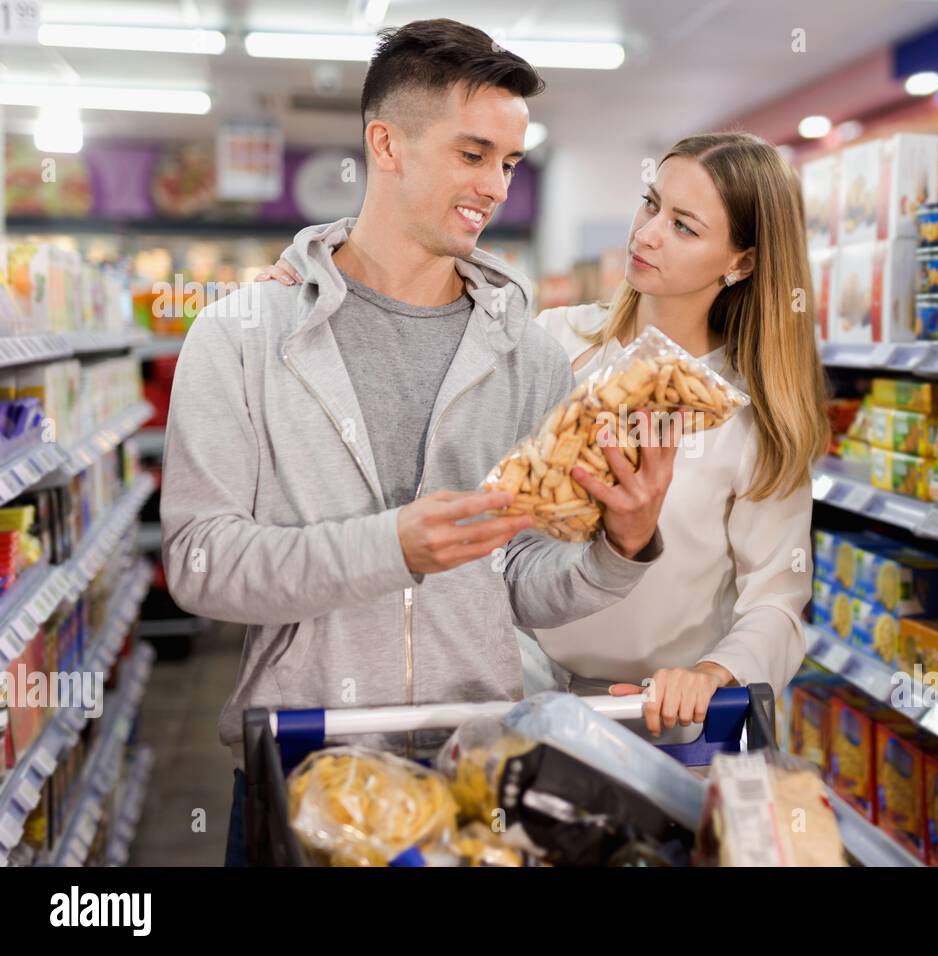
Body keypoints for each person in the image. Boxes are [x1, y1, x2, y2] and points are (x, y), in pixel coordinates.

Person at [160, 19, 675, 866]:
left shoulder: (530, 356)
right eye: (473, 154)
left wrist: (622, 546)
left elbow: (519, 586)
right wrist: (391, 547)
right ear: (386, 143)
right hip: (301, 771)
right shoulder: (242, 336)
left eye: (510, 162)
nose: (497, 186)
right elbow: (202, 564)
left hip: (476, 774)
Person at [261, 130, 829, 741]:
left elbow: (777, 599)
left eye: (684, 227)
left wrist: (716, 672)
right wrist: (324, 291)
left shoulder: (754, 416)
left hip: (668, 720)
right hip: (518, 697)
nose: (647, 233)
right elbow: (414, 359)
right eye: (650, 202)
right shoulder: (551, 341)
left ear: (741, 262)